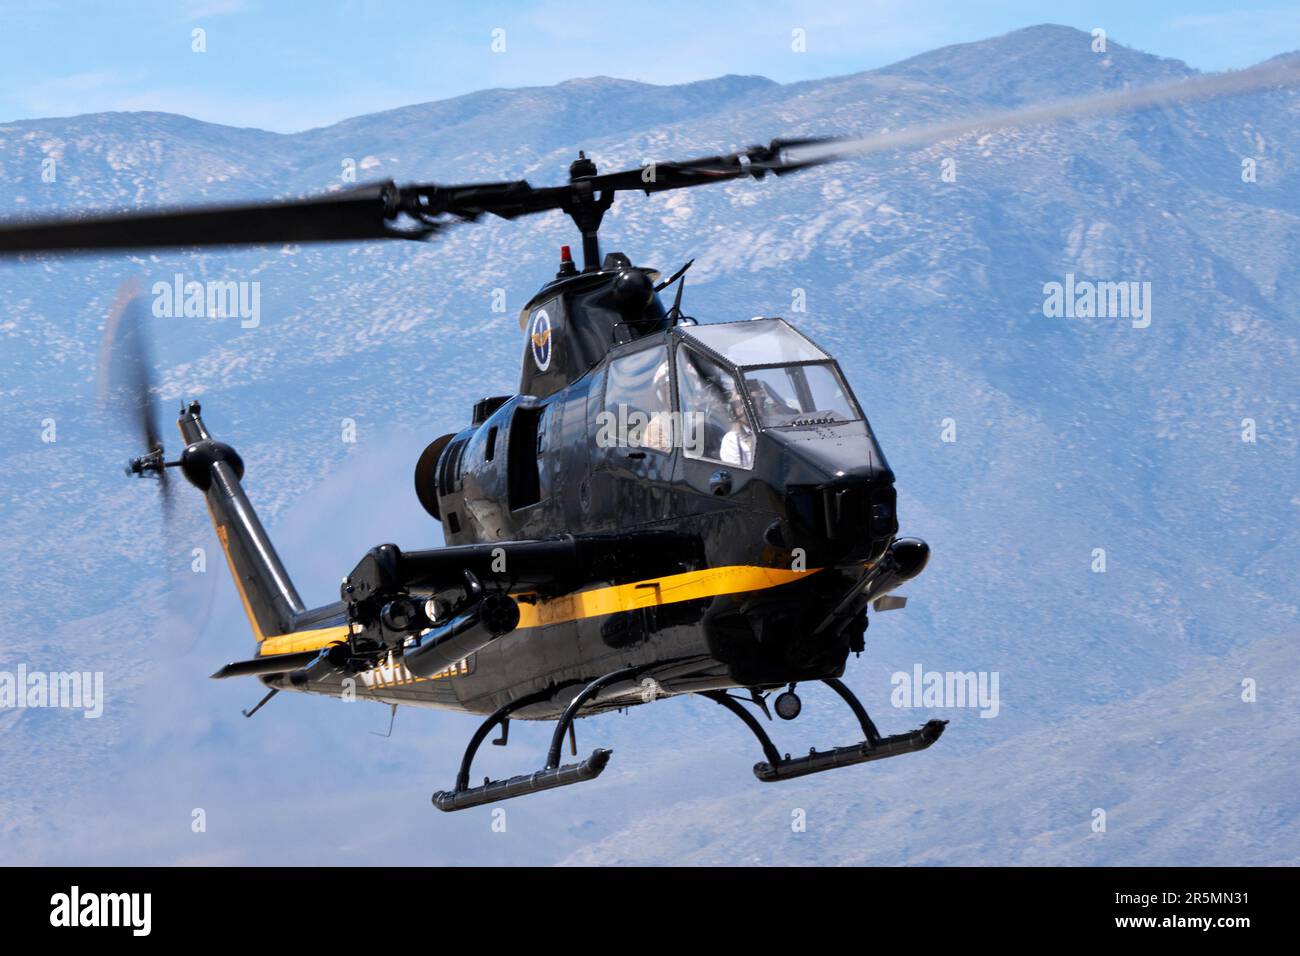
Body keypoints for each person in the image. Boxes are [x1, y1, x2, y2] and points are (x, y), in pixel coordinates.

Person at [718, 390, 754, 468]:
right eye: (738, 405)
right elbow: (736, 472)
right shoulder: (731, 439)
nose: (743, 409)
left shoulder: (760, 432)